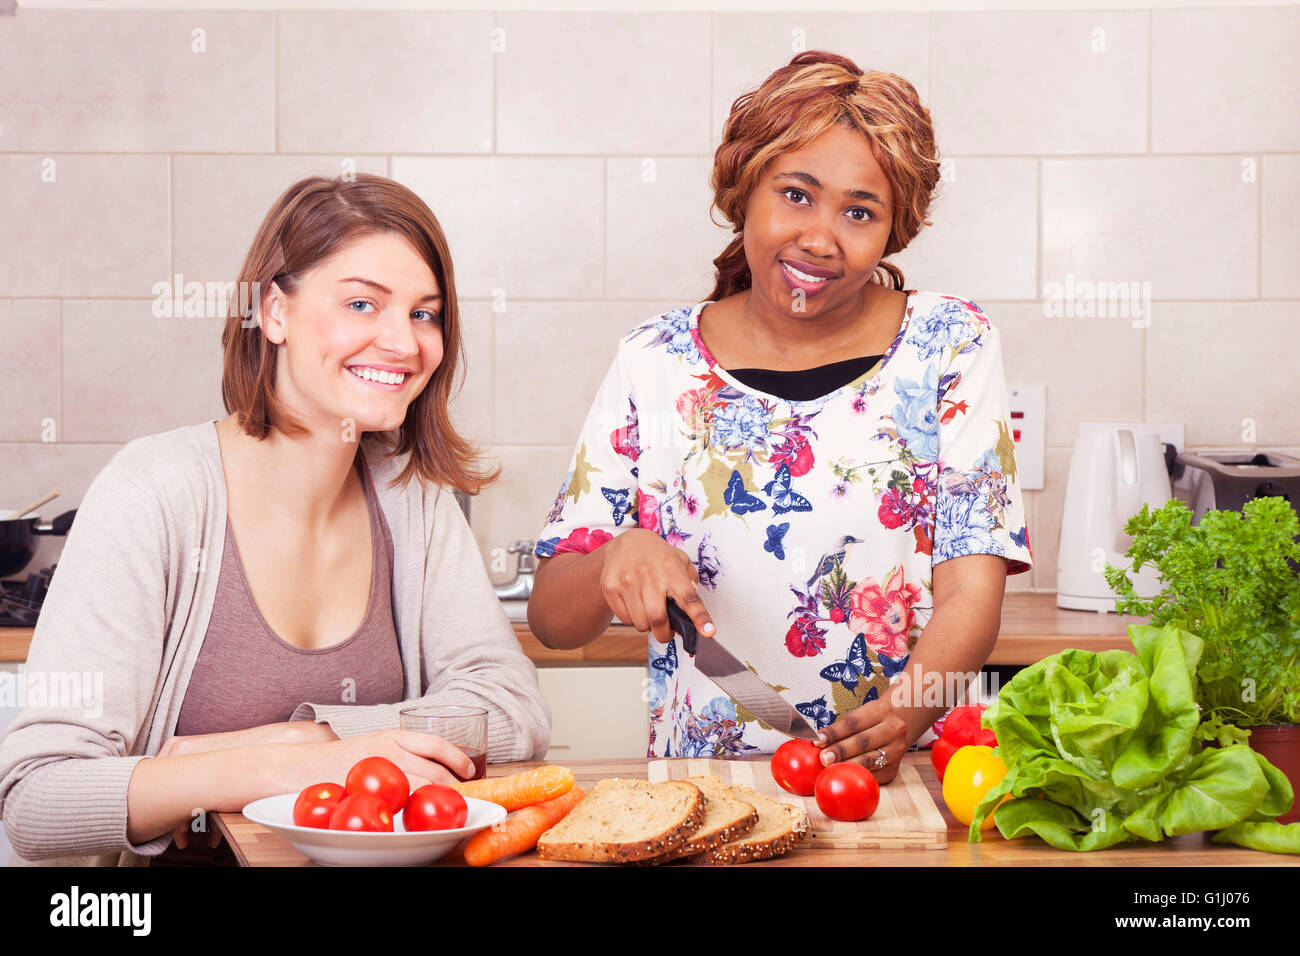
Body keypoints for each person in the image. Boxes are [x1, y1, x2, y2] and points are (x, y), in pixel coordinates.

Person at [0, 173, 550, 866]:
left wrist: (319, 738)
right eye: (361, 303)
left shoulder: (414, 501)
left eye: (424, 313)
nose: (405, 344)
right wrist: (268, 765)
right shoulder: (153, 493)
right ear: (275, 314)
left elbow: (514, 711)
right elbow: (37, 799)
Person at [526, 51, 1032, 781]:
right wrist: (613, 558)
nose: (822, 238)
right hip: (704, 790)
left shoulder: (950, 345)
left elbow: (971, 588)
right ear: (744, 189)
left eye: (860, 212)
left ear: (894, 229)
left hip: (901, 779)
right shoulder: (654, 360)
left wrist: (907, 711)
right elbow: (551, 616)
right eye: (796, 195)